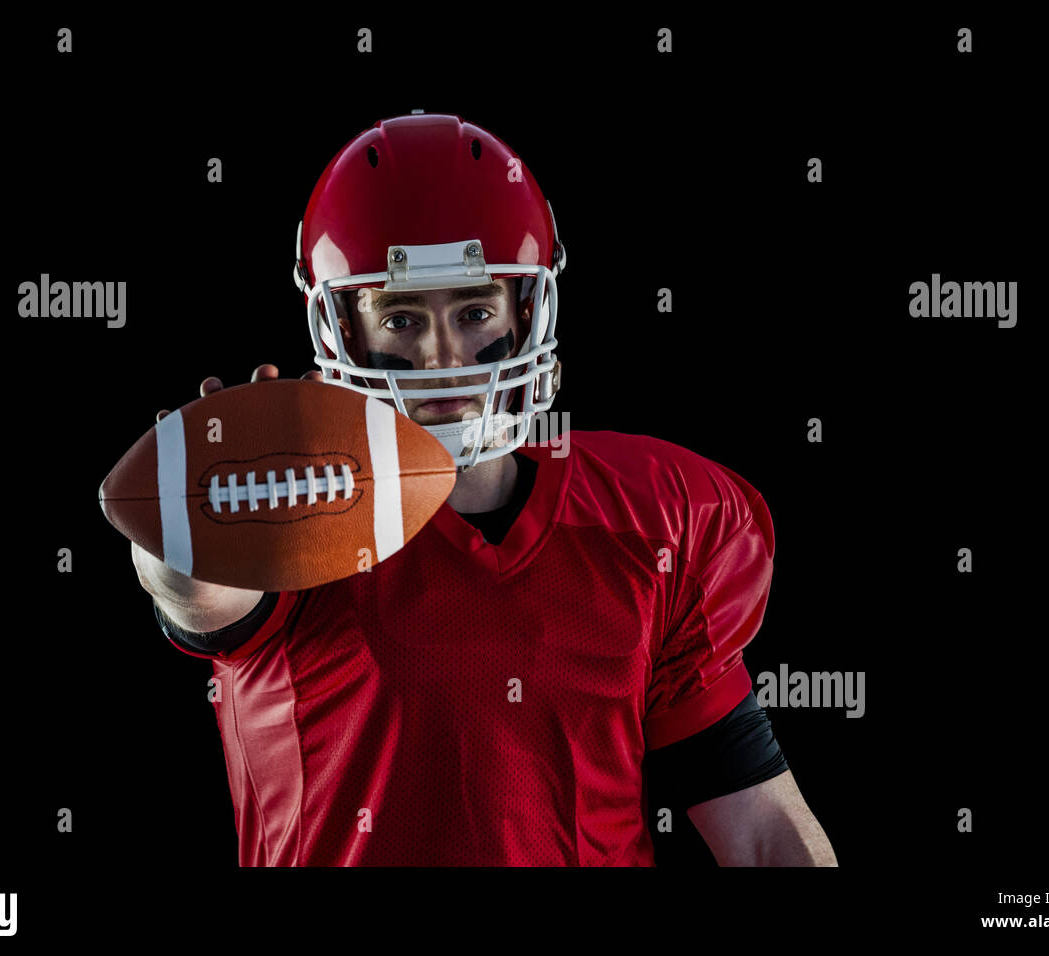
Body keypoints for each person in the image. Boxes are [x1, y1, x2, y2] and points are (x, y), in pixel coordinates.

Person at [131, 111, 837, 866]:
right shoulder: (298, 514)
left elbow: (761, 834)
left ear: (526, 313)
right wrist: (192, 512)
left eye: (474, 312)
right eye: (400, 319)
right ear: (341, 331)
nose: (442, 359)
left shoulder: (653, 518)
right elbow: (195, 592)